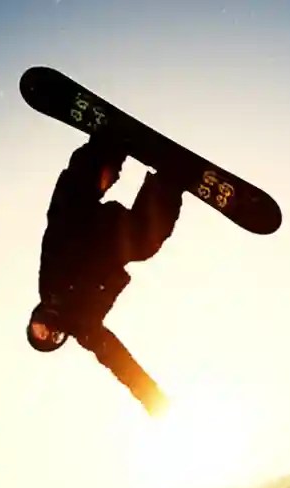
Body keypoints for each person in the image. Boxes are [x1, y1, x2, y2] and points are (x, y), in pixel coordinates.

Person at [27, 131, 185, 416]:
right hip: (115, 242)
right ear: (57, 338)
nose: (45, 328)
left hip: (81, 225)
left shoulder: (48, 286)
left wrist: (91, 161)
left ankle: (106, 146)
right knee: (144, 244)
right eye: (46, 336)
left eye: (37, 329)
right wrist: (151, 396)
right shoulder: (84, 328)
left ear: (35, 318)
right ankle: (168, 183)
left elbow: (53, 235)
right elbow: (116, 359)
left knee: (72, 200)